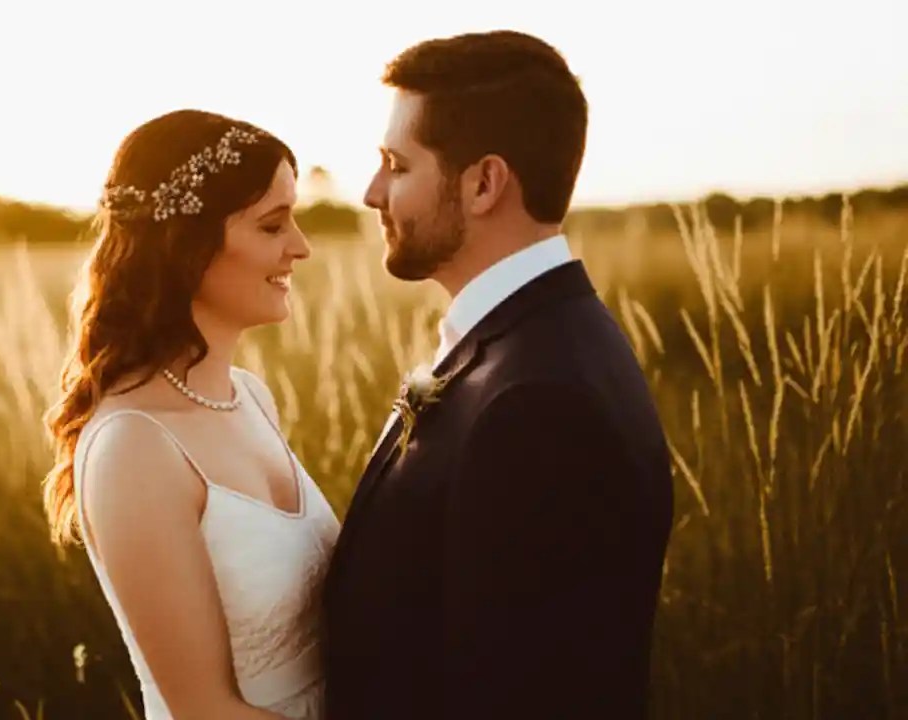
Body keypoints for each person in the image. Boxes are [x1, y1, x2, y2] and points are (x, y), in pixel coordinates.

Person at [321, 31, 675, 719]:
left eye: (397, 164)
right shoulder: (532, 343)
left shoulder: (536, 404)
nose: (370, 192)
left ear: (484, 183)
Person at [43, 109, 339, 720]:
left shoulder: (251, 397)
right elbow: (203, 710)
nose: (300, 247)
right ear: (189, 246)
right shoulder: (134, 446)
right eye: (272, 225)